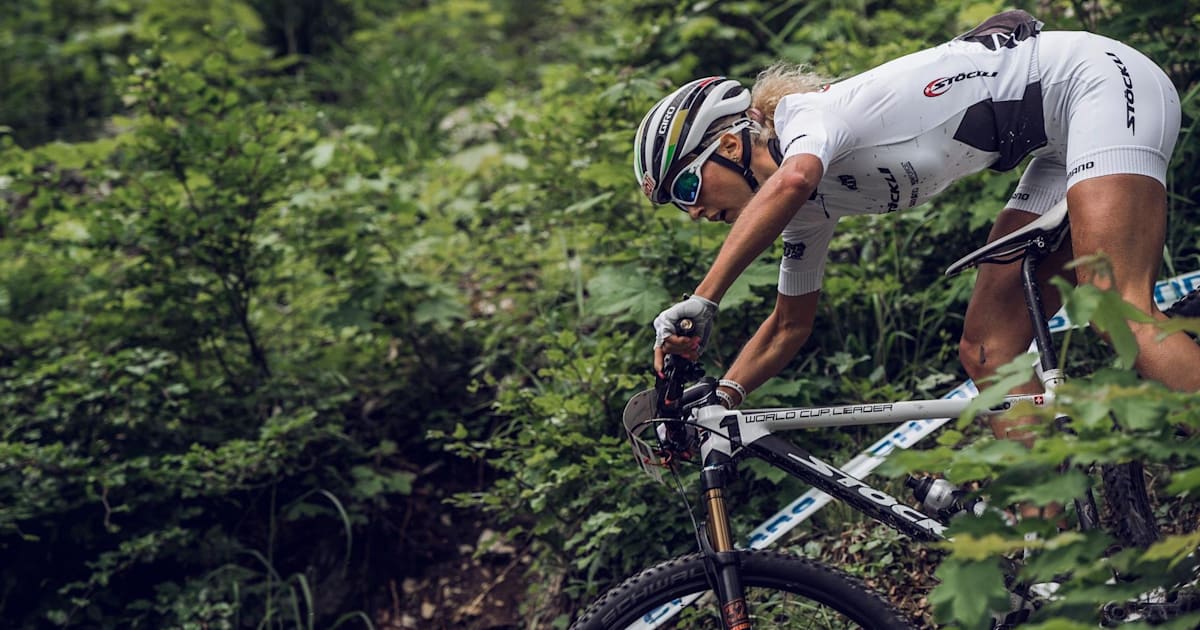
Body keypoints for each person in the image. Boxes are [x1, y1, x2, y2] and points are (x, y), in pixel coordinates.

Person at [635, 10, 1200, 442]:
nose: (694, 212)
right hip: (1054, 145)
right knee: (988, 349)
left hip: (1097, 82)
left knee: (1115, 306)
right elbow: (788, 327)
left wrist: (704, 300)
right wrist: (724, 398)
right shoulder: (807, 208)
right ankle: (1051, 552)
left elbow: (791, 181)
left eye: (688, 188)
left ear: (730, 144)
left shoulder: (807, 121)